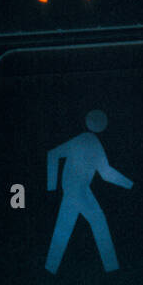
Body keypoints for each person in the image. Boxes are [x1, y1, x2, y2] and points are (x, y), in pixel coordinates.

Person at [45, 110, 133, 274]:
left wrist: (53, 186)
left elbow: (53, 154)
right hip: (77, 190)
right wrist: (130, 184)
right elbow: (106, 173)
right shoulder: (90, 142)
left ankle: (50, 267)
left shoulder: (84, 141)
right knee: (97, 221)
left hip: (77, 189)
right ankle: (112, 268)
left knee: (64, 226)